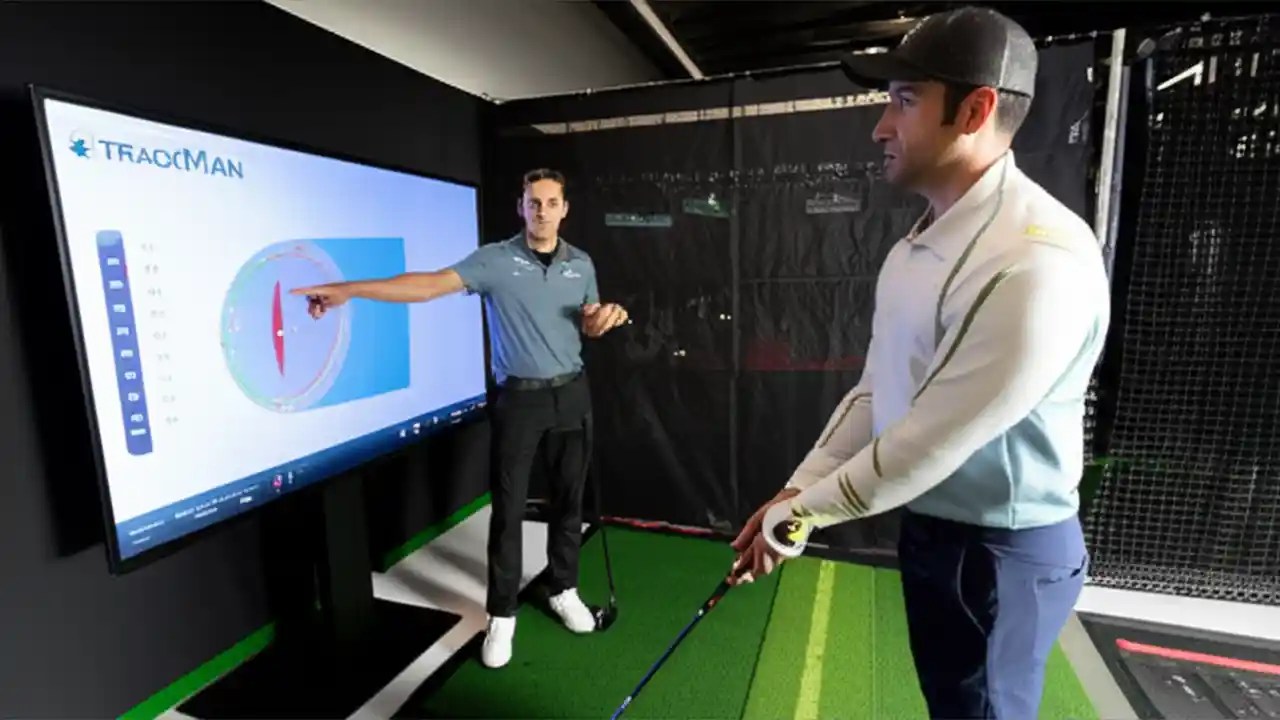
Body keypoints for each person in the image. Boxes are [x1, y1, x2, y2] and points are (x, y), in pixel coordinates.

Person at [728, 7, 1110, 719]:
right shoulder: (918, 245)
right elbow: (879, 392)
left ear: (975, 110)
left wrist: (802, 515)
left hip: (1003, 552)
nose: (881, 127)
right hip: (933, 529)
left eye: (904, 101)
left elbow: (929, 443)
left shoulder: (1038, 262)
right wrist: (796, 489)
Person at [292, 168, 628, 669]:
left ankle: (564, 589)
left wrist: (601, 321)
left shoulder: (581, 263)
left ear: (564, 209)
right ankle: (502, 614)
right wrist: (350, 289)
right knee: (509, 511)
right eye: (533, 202)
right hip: (520, 400)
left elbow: (589, 321)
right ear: (521, 207)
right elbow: (427, 286)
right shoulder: (494, 260)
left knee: (569, 501)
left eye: (551, 202)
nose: (541, 211)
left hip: (572, 393)